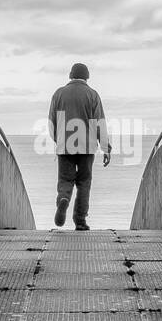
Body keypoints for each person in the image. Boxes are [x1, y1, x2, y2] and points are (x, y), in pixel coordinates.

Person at [47, 62, 112, 230]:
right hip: (87, 147)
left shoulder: (58, 94)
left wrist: (59, 140)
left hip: (65, 146)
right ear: (87, 77)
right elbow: (100, 124)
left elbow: (51, 123)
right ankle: (80, 221)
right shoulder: (92, 95)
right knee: (84, 183)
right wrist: (105, 147)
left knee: (65, 180)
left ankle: (63, 199)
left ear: (70, 75)